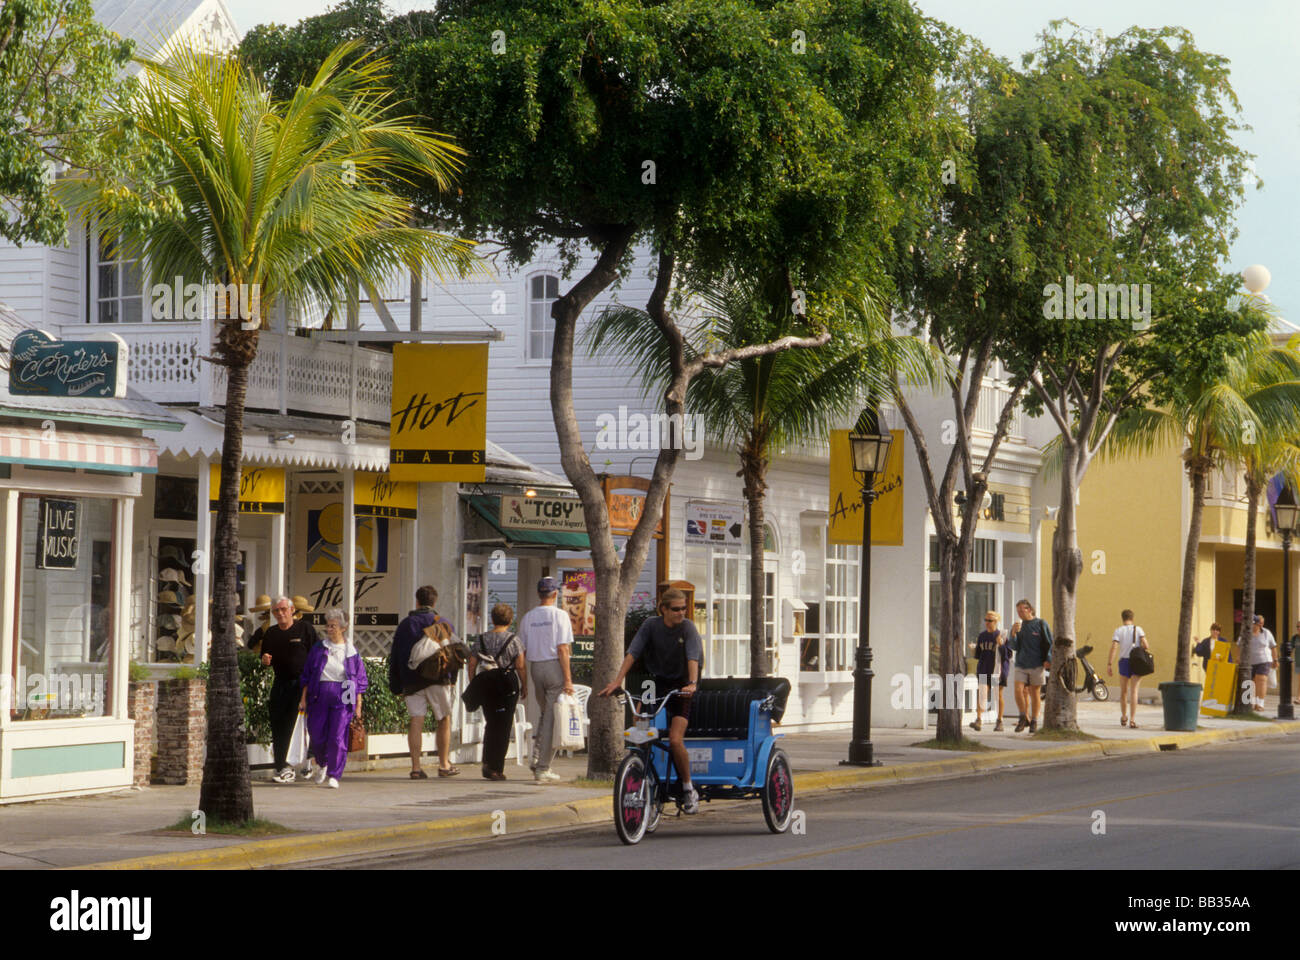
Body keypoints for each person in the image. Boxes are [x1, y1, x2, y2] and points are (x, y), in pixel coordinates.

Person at [598, 587, 703, 813]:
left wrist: (692, 684)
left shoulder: (688, 628)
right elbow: (632, 653)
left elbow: (692, 658)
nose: (681, 612)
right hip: (657, 683)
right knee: (639, 733)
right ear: (663, 609)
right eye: (676, 609)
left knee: (675, 740)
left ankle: (687, 788)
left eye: (684, 608)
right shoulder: (650, 626)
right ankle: (644, 778)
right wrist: (617, 681)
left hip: (682, 687)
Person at [390, 586, 460, 778]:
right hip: (438, 679)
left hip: (412, 680)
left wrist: (396, 682)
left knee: (416, 720)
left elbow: (395, 655)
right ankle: (444, 764)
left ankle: (415, 768)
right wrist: (452, 680)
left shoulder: (405, 625)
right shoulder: (443, 623)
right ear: (434, 602)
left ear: (417, 601)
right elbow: (453, 653)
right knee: (443, 719)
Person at [298, 609, 368, 789]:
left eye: (333, 626)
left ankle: (335, 774)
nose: (329, 629)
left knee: (337, 736)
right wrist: (303, 698)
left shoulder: (351, 652)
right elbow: (307, 674)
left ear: (343, 628)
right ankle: (322, 762)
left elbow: (358, 681)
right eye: (327, 625)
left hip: (343, 693)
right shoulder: (318, 648)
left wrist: (358, 705)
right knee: (317, 733)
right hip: (319, 692)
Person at [517, 577, 574, 783]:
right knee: (551, 717)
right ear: (555, 593)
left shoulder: (528, 617)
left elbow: (521, 651)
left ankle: (537, 758)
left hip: (535, 668)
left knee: (545, 714)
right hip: (554, 667)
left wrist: (523, 679)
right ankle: (543, 767)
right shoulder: (560, 615)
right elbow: (563, 649)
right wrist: (568, 679)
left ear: (539, 594)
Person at [260, 595, 322, 782]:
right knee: (279, 724)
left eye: (283, 609)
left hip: (303, 685)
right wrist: (264, 660)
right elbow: (264, 657)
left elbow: (318, 656)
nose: (280, 613)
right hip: (281, 684)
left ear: (292, 610)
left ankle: (307, 763)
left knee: (302, 726)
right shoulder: (271, 633)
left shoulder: (305, 629)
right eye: (276, 611)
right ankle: (282, 767)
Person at [468, 603, 527, 780]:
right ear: (510, 620)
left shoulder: (481, 639)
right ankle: (496, 768)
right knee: (503, 726)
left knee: (491, 722)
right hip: (507, 684)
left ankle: (487, 762)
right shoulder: (514, 640)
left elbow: (472, 663)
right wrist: (525, 685)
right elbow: (520, 666)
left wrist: (474, 682)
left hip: (487, 682)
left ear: (492, 619)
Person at [1008, 599, 1052, 733]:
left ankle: (1034, 720)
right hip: (1021, 663)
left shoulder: (1040, 623)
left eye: (1022, 610)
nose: (1020, 613)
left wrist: (1048, 659)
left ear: (1029, 609)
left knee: (1035, 693)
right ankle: (1023, 717)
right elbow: (1014, 646)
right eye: (1018, 611)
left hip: (1037, 664)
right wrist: (1013, 633)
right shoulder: (1019, 626)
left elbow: (1050, 642)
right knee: (1018, 690)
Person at [1106, 608, 1150, 728]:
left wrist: (1109, 664)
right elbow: (1146, 645)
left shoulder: (1118, 631)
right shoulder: (1138, 629)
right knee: (1134, 691)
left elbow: (1114, 646)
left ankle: (1124, 716)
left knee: (1124, 691)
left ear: (1122, 618)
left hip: (1124, 661)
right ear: (1132, 618)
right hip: (1136, 661)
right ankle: (1133, 719)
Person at [968, 611, 1004, 732]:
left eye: (990, 620)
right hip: (983, 668)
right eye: (986, 620)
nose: (987, 623)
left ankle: (999, 721)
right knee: (982, 694)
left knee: (997, 696)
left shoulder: (1001, 635)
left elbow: (1007, 654)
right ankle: (979, 719)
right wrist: (973, 649)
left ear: (996, 621)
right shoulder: (982, 636)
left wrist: (1001, 644)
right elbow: (978, 654)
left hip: (996, 670)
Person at [1245, 614, 1278, 713]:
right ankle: (1252, 703)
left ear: (1258, 624)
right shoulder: (1246, 633)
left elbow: (1273, 646)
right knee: (1251, 682)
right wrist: (1238, 657)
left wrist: (1275, 659)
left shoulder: (1266, 633)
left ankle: (1260, 704)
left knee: (1261, 679)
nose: (1252, 626)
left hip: (1264, 660)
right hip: (1249, 661)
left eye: (1254, 624)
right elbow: (1239, 645)